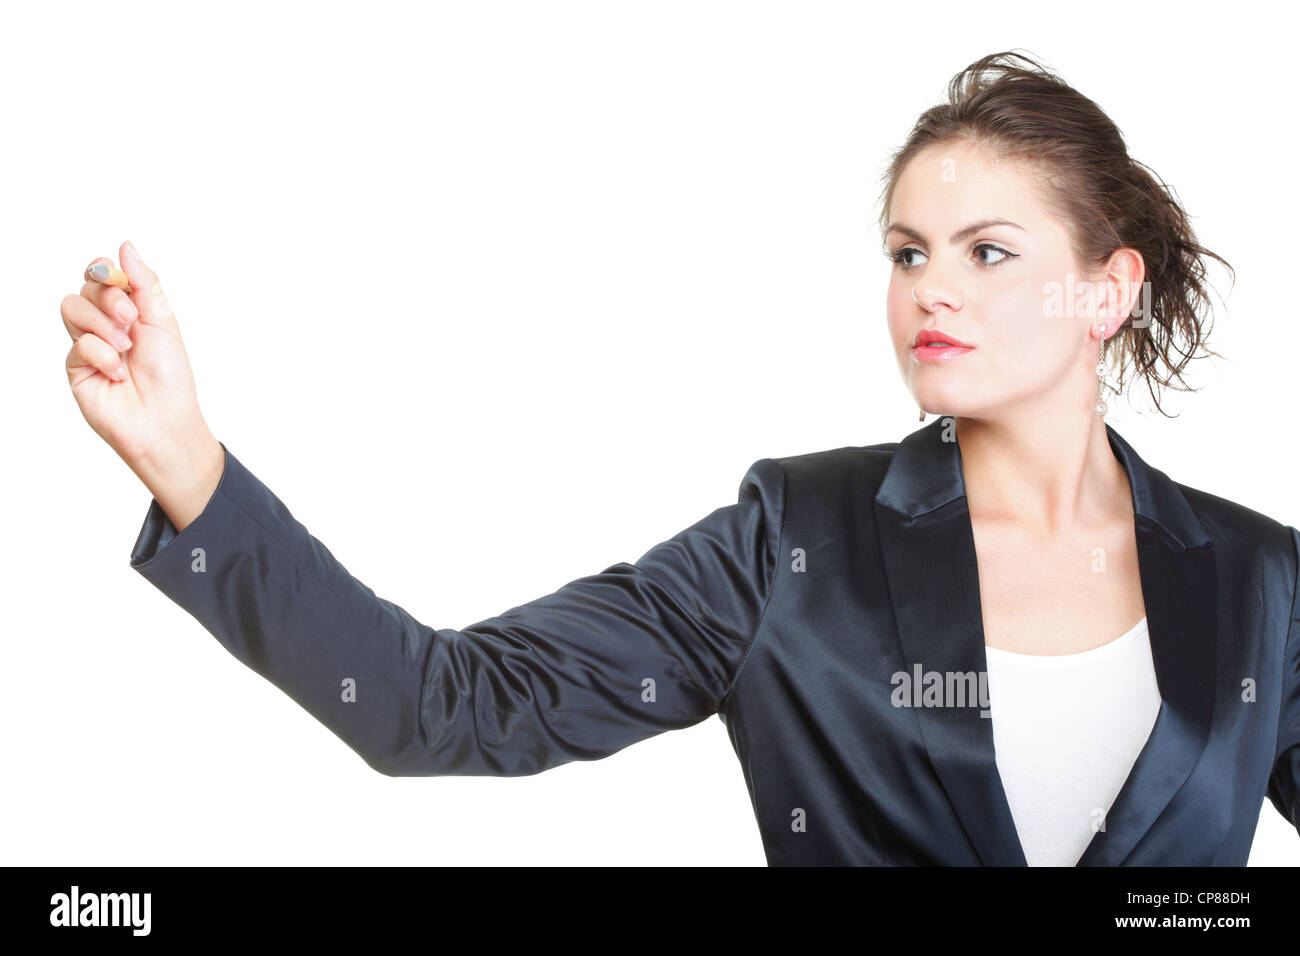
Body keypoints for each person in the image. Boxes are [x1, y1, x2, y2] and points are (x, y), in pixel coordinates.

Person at [61, 51, 1300, 866]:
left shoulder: (1259, 583)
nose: (930, 291)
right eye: (906, 252)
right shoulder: (793, 540)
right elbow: (438, 704)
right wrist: (189, 463)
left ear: (1106, 290)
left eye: (986, 251)